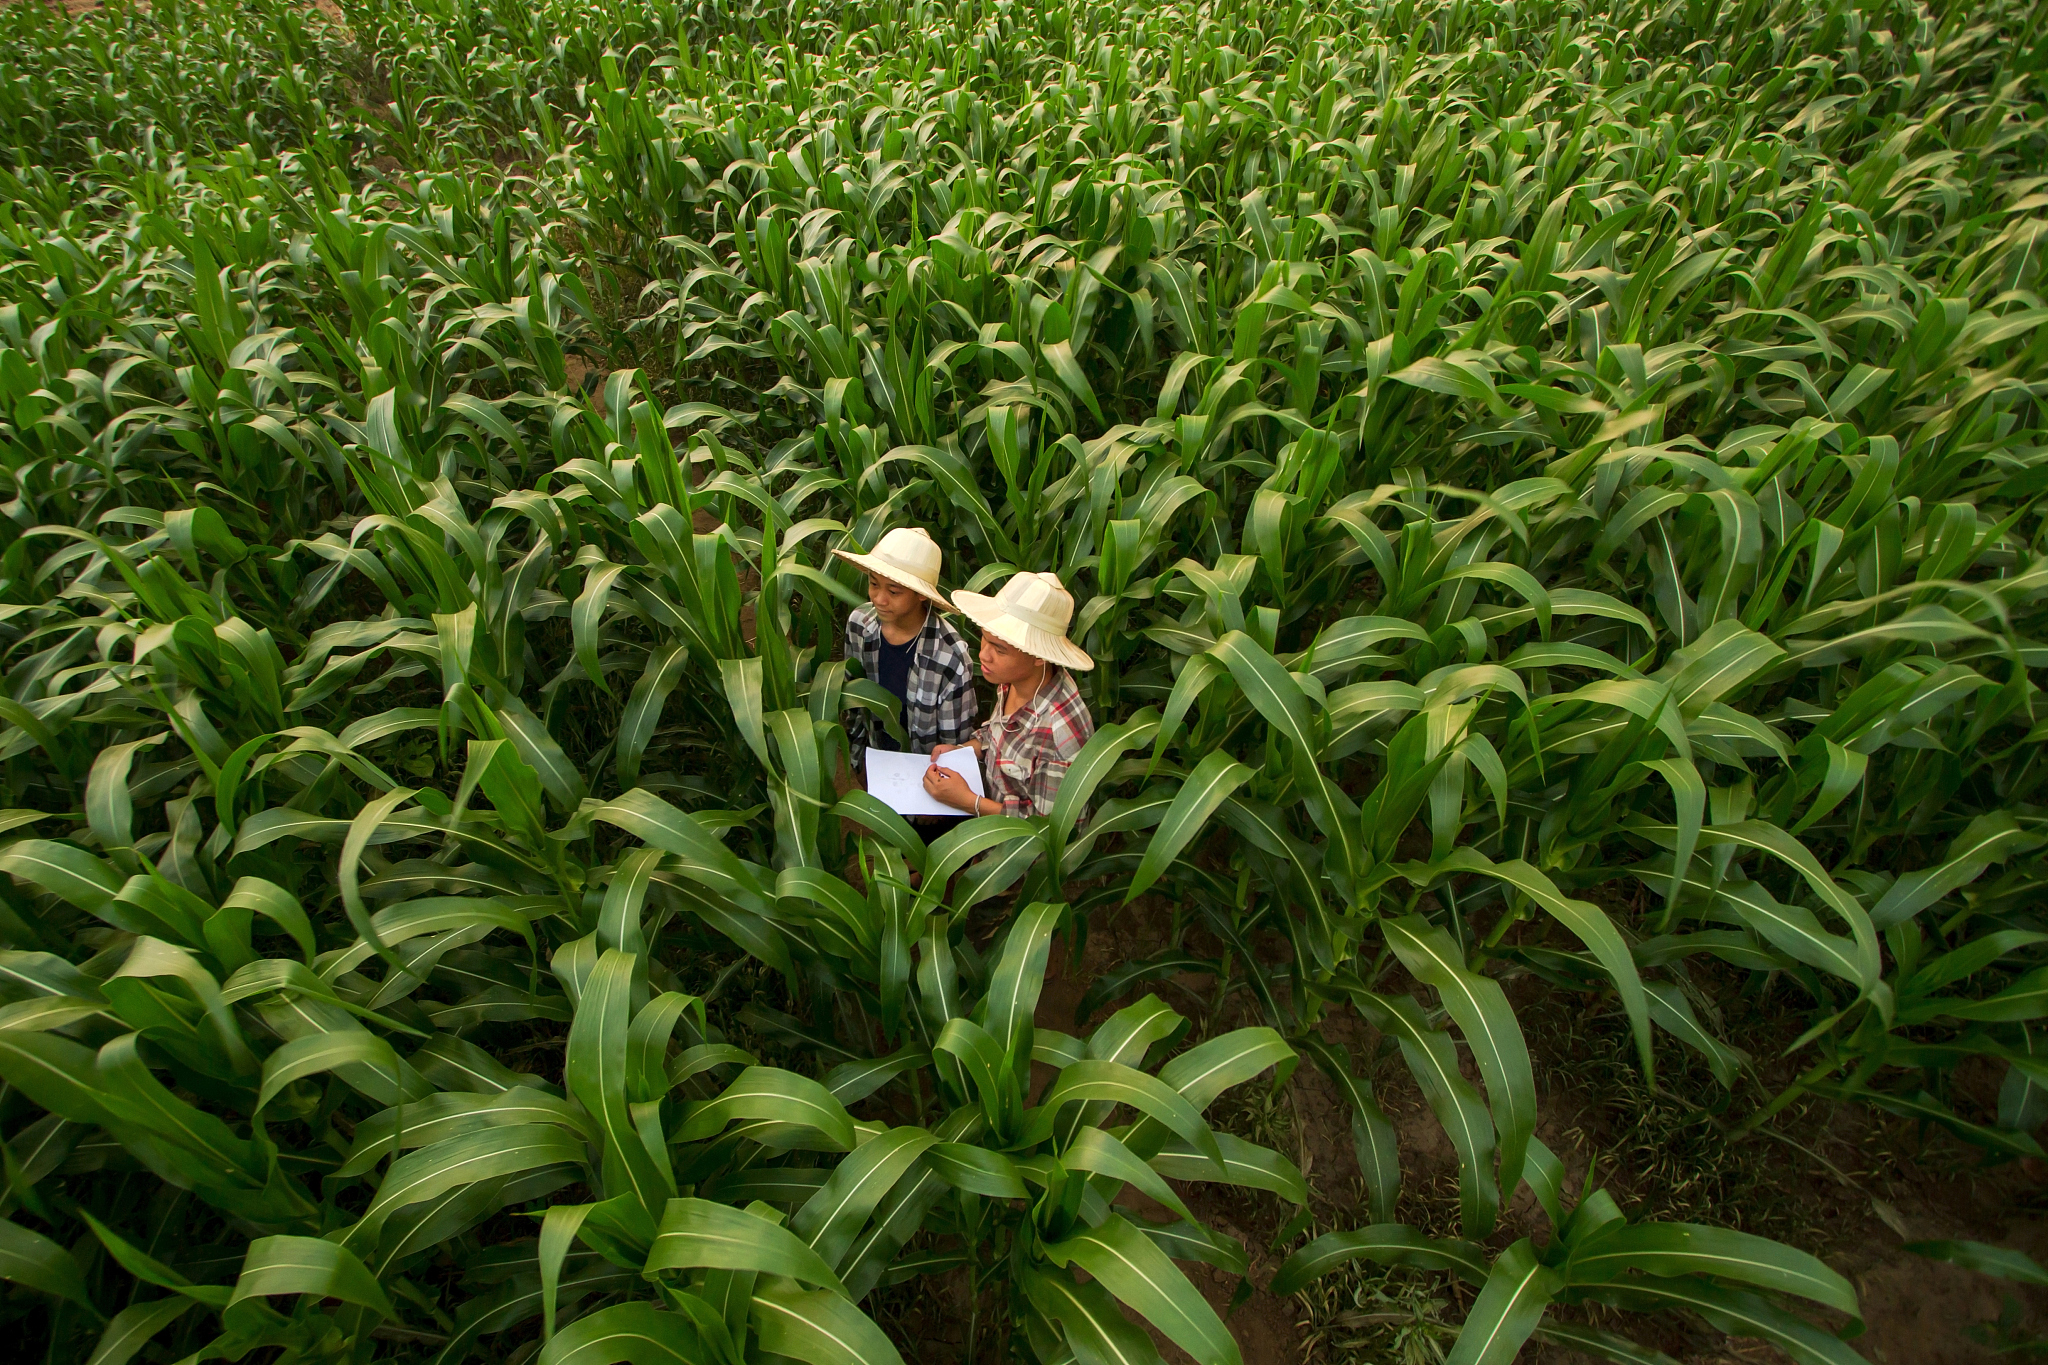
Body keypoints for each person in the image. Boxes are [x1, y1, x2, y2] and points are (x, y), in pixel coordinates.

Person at [924, 571, 1095, 820]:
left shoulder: (1058, 734)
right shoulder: (1014, 680)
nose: (984, 655)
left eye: (999, 650)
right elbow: (999, 735)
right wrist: (965, 749)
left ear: (1039, 655)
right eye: (984, 639)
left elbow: (1049, 826)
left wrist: (969, 802)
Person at [834, 527, 978, 779]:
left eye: (894, 591)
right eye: (873, 583)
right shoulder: (859, 624)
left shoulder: (949, 656)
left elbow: (954, 743)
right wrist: (859, 760)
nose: (879, 599)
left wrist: (935, 794)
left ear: (921, 594)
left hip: (926, 779)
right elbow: (855, 704)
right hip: (876, 764)